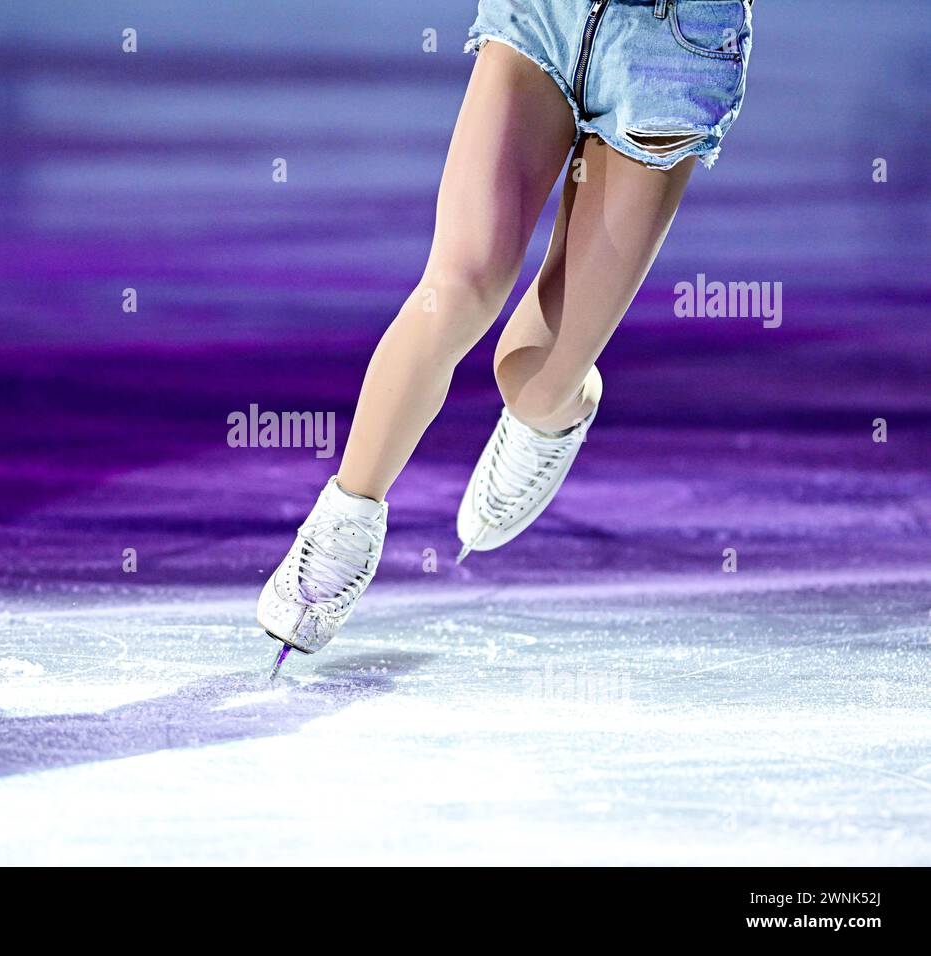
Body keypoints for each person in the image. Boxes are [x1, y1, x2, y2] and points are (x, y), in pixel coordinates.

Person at [258, 0, 754, 666]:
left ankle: (556, 407)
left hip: (670, 47)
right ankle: (346, 517)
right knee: (462, 285)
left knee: (535, 377)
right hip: (546, 14)